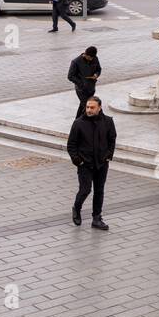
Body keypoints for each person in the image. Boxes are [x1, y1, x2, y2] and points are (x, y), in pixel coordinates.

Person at [67, 96, 116, 230]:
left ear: (99, 108)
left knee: (99, 191)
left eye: (92, 107)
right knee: (85, 189)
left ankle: (96, 218)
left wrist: (108, 156)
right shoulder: (78, 123)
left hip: (101, 164)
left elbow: (112, 139)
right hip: (85, 165)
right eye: (87, 107)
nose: (89, 110)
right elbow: (71, 145)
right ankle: (77, 207)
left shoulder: (108, 122)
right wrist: (78, 161)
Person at [68, 46, 102, 118]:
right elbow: (70, 76)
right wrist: (81, 83)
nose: (91, 59)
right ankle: (91, 122)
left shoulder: (95, 58)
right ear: (85, 54)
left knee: (83, 106)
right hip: (81, 89)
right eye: (90, 58)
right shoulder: (75, 62)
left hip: (91, 87)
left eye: (92, 58)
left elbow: (99, 69)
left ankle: (76, 122)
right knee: (87, 106)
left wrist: (96, 74)